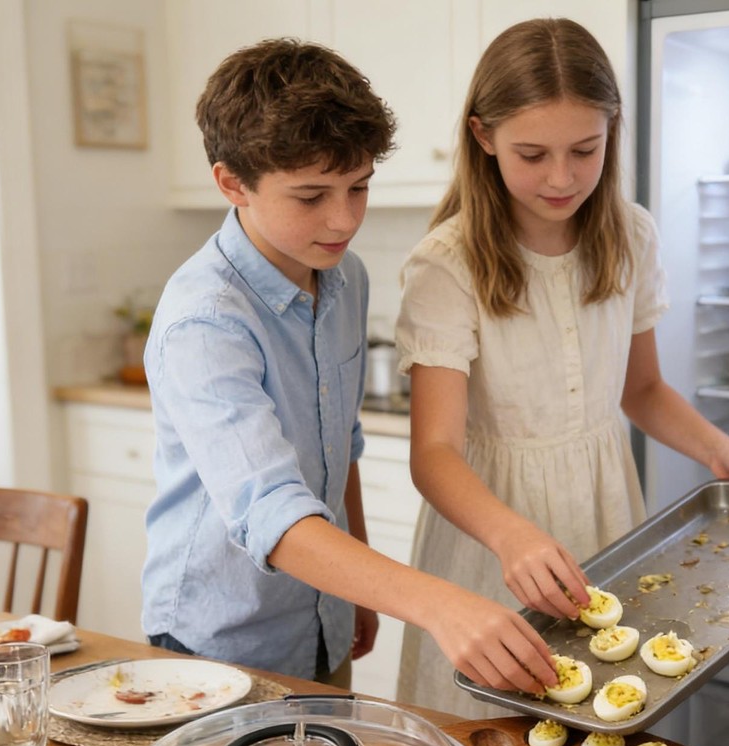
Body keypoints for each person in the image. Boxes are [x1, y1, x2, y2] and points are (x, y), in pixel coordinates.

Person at [140, 37, 560, 698]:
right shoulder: (205, 321)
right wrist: (437, 603)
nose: (343, 219)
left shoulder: (343, 277)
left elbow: (341, 444)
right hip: (220, 640)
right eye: (311, 196)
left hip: (323, 617)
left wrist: (357, 589)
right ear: (232, 183)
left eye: (359, 187)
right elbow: (271, 512)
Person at [394, 18, 729, 717]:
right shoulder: (448, 264)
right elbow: (434, 452)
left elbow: (643, 390)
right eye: (533, 154)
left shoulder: (630, 235)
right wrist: (511, 535)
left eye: (585, 149)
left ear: (612, 129)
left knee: (604, 724)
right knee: (491, 734)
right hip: (490, 539)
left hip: (604, 519)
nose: (562, 177)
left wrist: (718, 449)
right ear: (483, 136)